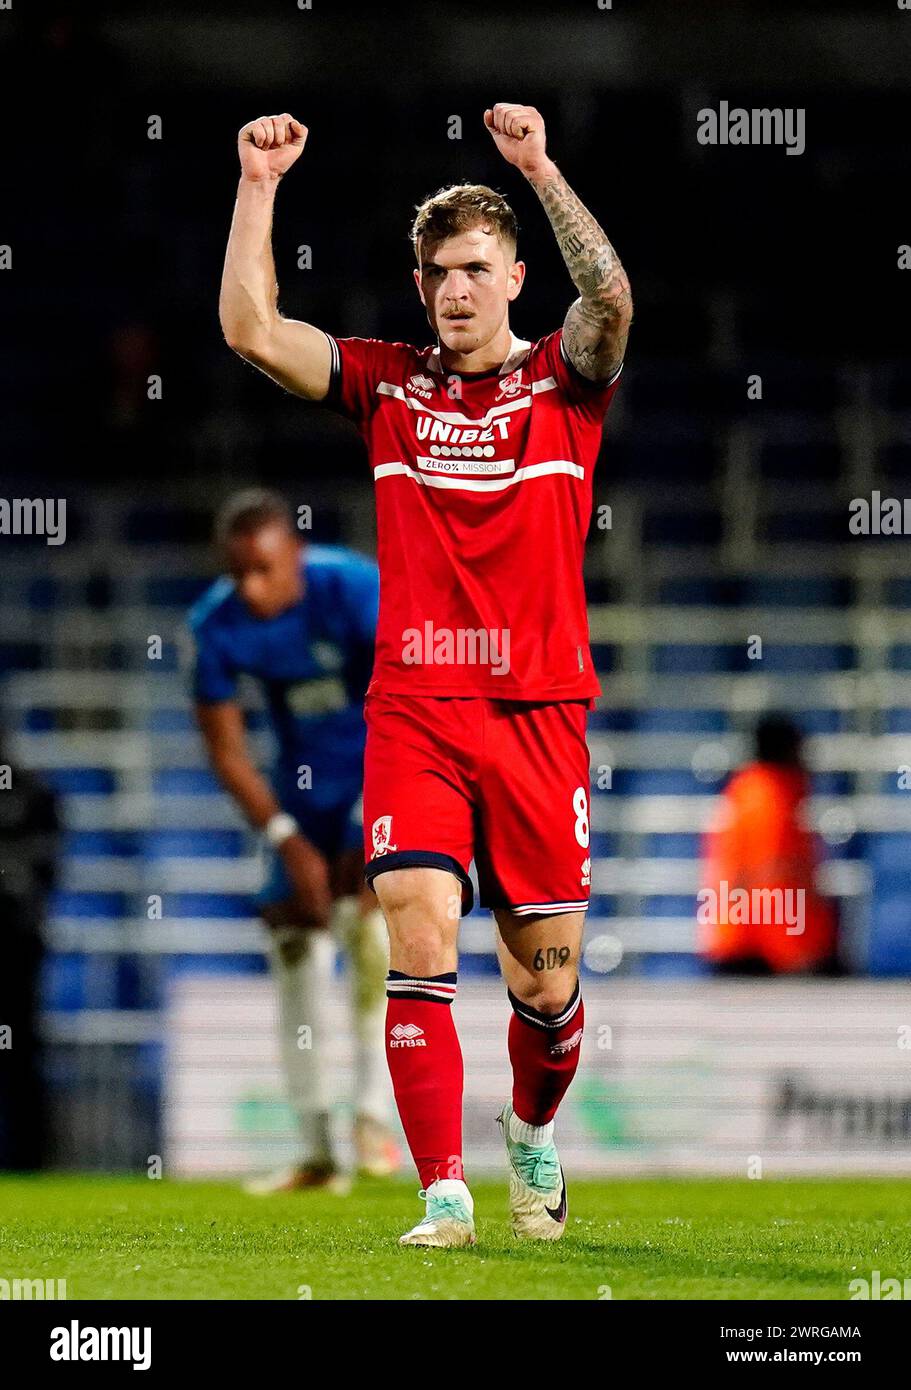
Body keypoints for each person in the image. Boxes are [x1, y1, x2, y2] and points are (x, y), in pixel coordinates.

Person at [219, 105, 632, 1245]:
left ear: (509, 278)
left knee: (545, 994)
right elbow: (252, 326)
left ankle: (532, 1135)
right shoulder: (386, 388)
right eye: (438, 272)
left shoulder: (565, 383)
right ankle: (441, 1191)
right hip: (416, 711)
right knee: (416, 932)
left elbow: (610, 304)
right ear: (419, 285)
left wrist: (540, 168)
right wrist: (258, 185)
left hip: (542, 716)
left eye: (475, 270)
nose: (454, 289)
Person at [188, 489, 399, 1190]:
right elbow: (225, 750)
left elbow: (407, 696)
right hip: (299, 791)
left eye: (264, 570)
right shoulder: (215, 623)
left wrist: (371, 821)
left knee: (367, 933)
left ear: (296, 559)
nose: (250, 587)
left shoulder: (354, 587)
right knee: (293, 941)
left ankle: (372, 1122)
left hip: (381, 772)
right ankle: (316, 1148)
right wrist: (287, 838)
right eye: (237, 572)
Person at [699, 714, 838, 975]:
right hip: (754, 950)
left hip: (745, 941)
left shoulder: (748, 791)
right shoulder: (768, 800)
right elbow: (768, 879)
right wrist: (791, 954)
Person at [0, 739, 59, 1170]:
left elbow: (48, 865)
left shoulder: (33, 790)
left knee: (22, 1056)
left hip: (17, 945)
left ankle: (30, 1159)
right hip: (21, 939)